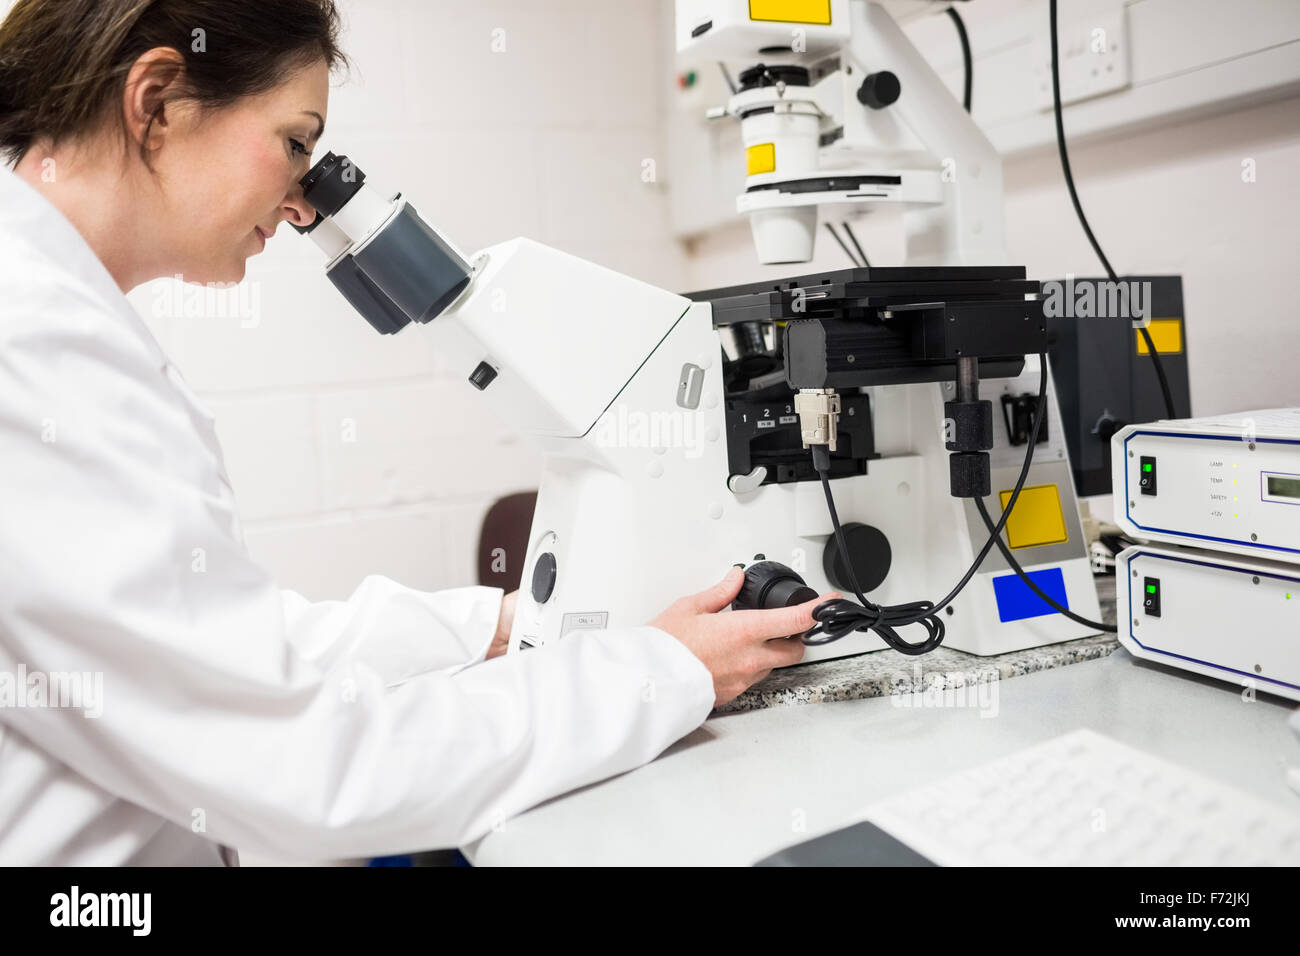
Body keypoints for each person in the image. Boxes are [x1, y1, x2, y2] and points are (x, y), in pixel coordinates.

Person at [0, 0, 835, 864]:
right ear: (158, 102)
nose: (299, 199)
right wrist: (666, 672)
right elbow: (314, 768)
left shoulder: (47, 317)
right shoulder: (37, 349)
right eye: (294, 141)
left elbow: (205, 651)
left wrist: (503, 623)